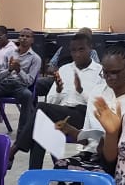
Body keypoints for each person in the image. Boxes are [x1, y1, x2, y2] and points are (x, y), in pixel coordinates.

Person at [29, 33, 101, 169]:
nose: (77, 54)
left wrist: (81, 91)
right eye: (74, 51)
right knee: (40, 126)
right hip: (62, 114)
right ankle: (34, 173)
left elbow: (98, 105)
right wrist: (58, 89)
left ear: (90, 49)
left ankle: (16, 148)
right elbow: (51, 102)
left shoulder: (99, 72)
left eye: (81, 49)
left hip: (84, 115)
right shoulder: (64, 69)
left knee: (41, 109)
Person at [0, 28, 40, 160]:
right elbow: (0, 75)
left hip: (20, 86)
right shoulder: (10, 53)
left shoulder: (35, 58)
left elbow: (29, 81)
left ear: (32, 40)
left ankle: (21, 137)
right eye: (21, 35)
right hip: (6, 84)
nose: (24, 38)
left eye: (27, 36)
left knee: (27, 96)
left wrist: (19, 70)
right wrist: (10, 70)